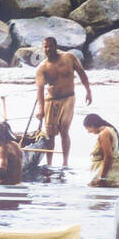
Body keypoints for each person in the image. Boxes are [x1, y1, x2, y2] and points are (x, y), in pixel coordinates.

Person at [34, 37, 92, 168]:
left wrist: (88, 91)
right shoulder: (42, 67)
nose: (48, 49)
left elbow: (82, 73)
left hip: (68, 98)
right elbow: (40, 90)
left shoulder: (69, 57)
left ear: (56, 46)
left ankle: (65, 162)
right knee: (50, 134)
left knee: (64, 129)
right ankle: (49, 163)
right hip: (51, 100)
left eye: (50, 46)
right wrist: (41, 109)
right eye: (45, 47)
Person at [82, 113, 119, 187]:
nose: (88, 132)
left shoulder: (104, 134)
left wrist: (102, 178)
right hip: (113, 172)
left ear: (92, 125)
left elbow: (108, 157)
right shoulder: (110, 130)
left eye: (88, 129)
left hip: (108, 174)